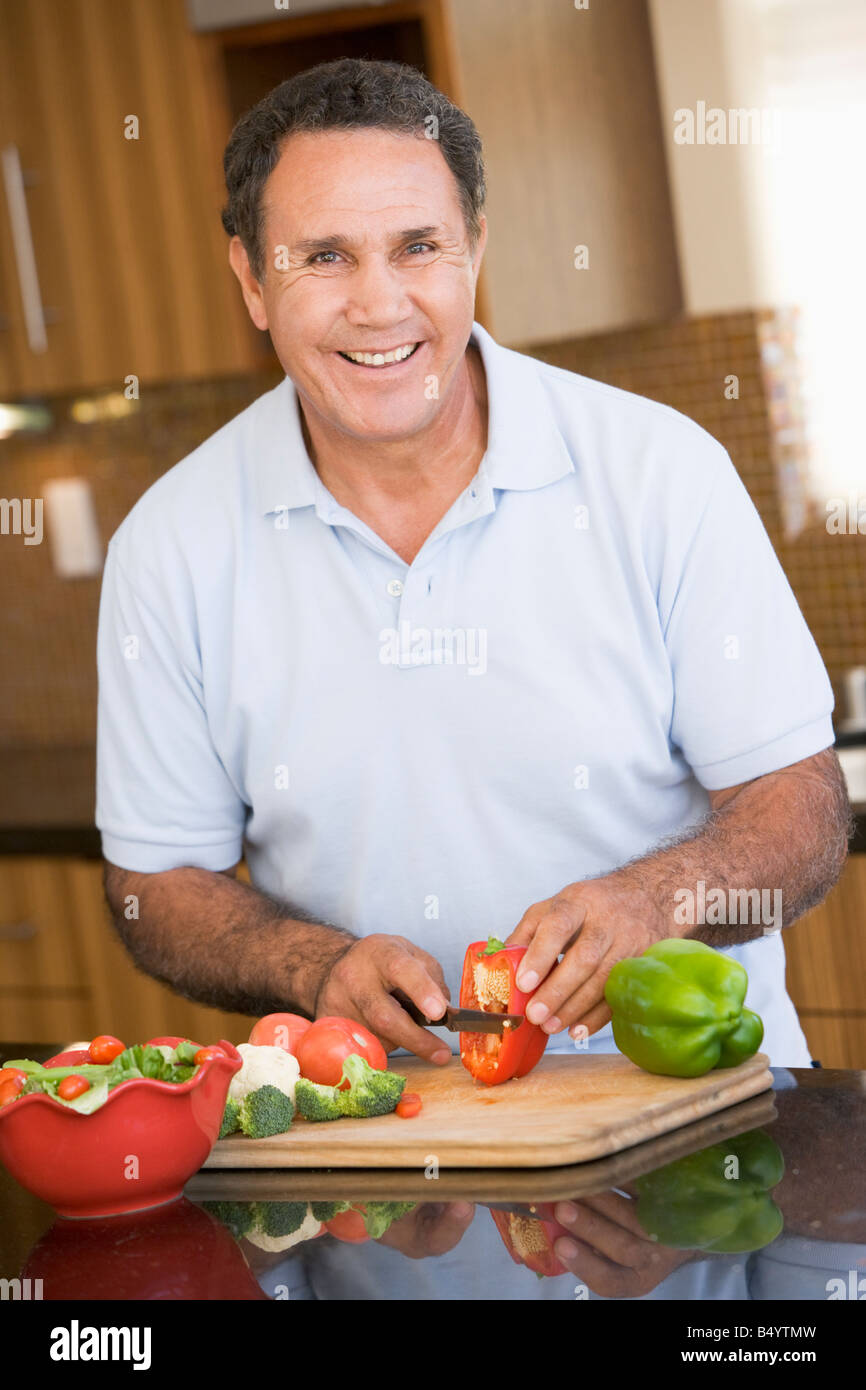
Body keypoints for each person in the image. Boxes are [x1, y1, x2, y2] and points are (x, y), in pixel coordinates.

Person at [97, 57, 850, 1089]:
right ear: (250, 280)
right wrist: (314, 966)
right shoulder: (170, 543)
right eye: (323, 256)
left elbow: (801, 804)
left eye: (419, 246)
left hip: (689, 1117)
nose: (379, 304)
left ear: (475, 249)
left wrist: (655, 898)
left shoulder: (657, 471)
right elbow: (159, 878)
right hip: (380, 1143)